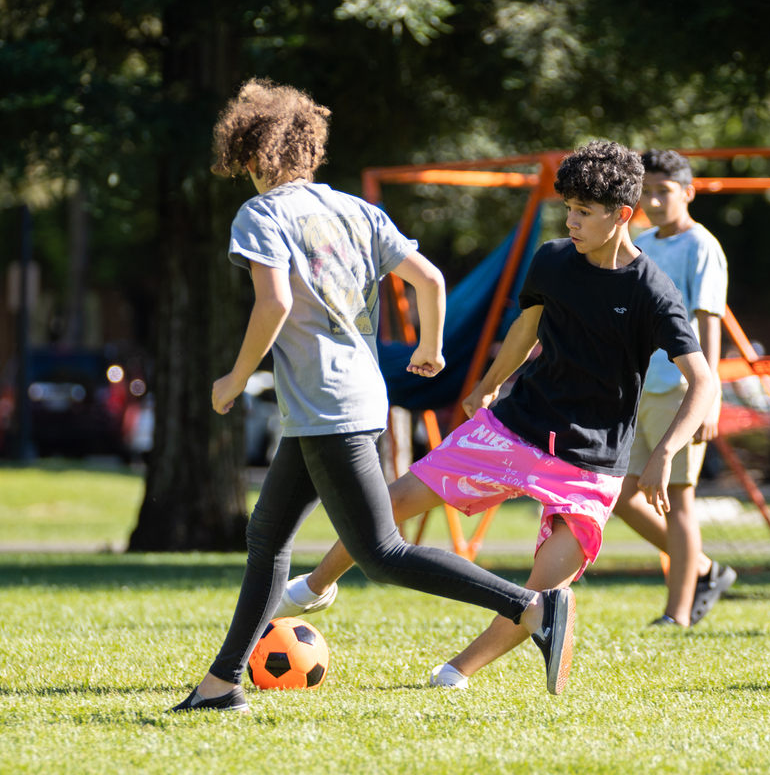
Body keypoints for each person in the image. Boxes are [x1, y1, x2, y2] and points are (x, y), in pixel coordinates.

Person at [171, 80, 575, 712]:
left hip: (328, 408)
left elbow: (274, 302)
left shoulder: (262, 214)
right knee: (268, 539)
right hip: (345, 400)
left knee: (382, 553)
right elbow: (431, 279)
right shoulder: (356, 210)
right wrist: (432, 347)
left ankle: (530, 607)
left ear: (252, 152)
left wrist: (234, 376)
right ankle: (222, 685)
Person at [280, 140, 717, 689]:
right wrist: (488, 386)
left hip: (592, 463)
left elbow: (704, 380)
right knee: (389, 502)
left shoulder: (655, 292)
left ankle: (456, 671)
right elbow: (526, 326)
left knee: (545, 593)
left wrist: (665, 453)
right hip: (517, 425)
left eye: (584, 211)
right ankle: (319, 585)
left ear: (622, 216)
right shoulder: (554, 260)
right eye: (569, 208)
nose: (571, 221)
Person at [611, 149, 736, 628]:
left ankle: (677, 614)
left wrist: (709, 396)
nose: (655, 202)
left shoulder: (702, 246)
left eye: (665, 192)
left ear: (688, 192)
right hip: (638, 391)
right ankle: (702, 568)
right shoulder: (641, 240)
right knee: (623, 496)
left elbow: (708, 323)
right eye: (647, 193)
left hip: (681, 394)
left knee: (678, 497)